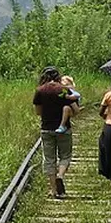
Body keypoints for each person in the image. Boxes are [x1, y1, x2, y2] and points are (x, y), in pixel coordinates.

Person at [33, 66, 76, 198]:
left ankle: (53, 190)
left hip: (46, 129)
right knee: (65, 156)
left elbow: (38, 112)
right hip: (64, 129)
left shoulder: (39, 91)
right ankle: (60, 176)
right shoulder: (64, 90)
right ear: (58, 77)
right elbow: (75, 109)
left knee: (49, 159)